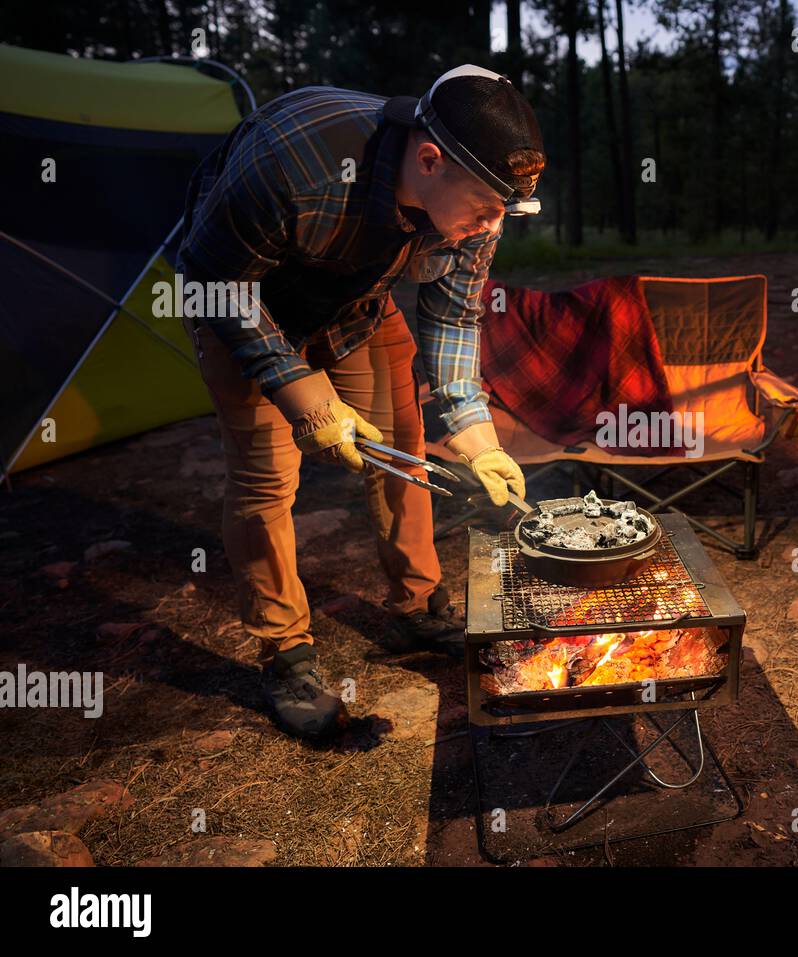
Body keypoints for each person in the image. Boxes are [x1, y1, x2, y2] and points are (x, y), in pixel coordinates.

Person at [177, 65, 543, 739]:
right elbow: (211, 279)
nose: (494, 226)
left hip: (354, 310)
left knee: (402, 445)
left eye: (504, 213)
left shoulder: (477, 204)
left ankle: (417, 602)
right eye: (488, 209)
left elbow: (455, 315)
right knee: (266, 479)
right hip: (240, 304)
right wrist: (301, 391)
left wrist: (474, 431)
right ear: (429, 160)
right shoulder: (294, 157)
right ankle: (285, 651)